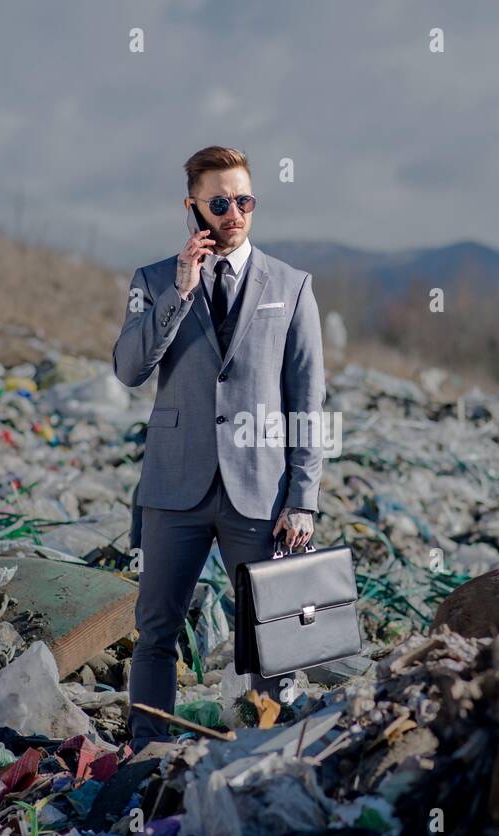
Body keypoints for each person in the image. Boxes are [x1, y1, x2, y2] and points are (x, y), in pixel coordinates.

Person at [113, 145, 326, 750]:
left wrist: (304, 498)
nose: (235, 212)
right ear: (193, 208)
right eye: (220, 202)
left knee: (270, 638)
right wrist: (179, 294)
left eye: (245, 200)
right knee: (156, 631)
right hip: (174, 487)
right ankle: (146, 754)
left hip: (260, 490)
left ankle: (268, 750)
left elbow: (307, 402)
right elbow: (129, 369)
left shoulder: (293, 285)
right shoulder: (153, 281)